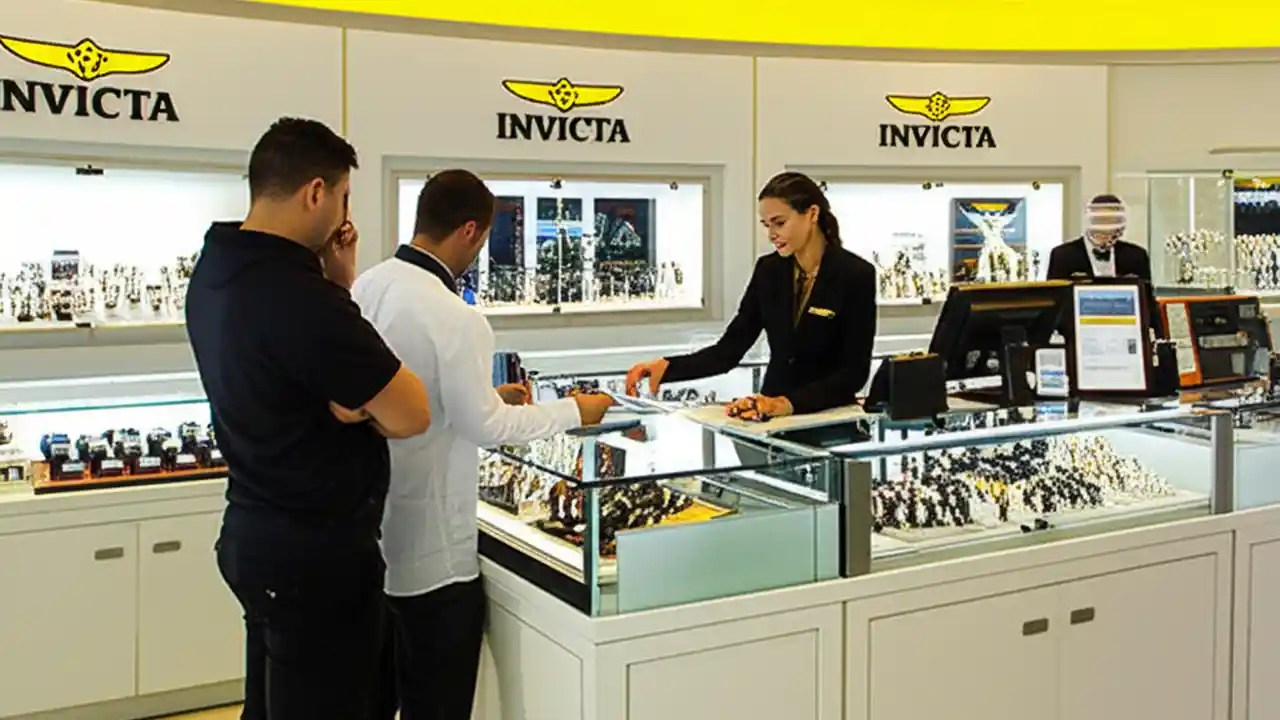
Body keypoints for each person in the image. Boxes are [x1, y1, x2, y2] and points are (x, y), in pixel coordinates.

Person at [185, 117, 432, 720]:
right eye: (345, 198)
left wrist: (339, 292)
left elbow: (287, 375)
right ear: (316, 192)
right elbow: (411, 411)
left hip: (253, 533)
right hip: (316, 557)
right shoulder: (298, 295)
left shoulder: (216, 269)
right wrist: (367, 406)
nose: (344, 217)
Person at [351, 170, 615, 720]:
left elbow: (408, 393)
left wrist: (487, 394)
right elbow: (485, 427)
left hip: (373, 539)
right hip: (435, 559)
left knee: (374, 699)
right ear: (471, 230)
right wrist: (574, 411)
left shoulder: (368, 286)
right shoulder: (456, 315)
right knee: (438, 705)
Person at [625, 171, 877, 418]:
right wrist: (667, 367)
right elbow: (729, 350)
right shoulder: (769, 271)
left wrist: (786, 404)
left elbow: (854, 373)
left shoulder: (855, 274)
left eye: (779, 223)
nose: (771, 234)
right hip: (770, 421)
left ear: (812, 214)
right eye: (766, 225)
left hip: (829, 419)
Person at [1047, 194, 1152, 280]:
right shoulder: (1062, 255)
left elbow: (1147, 299)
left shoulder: (1137, 255)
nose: (1105, 227)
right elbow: (1053, 299)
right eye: (1100, 220)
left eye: (1112, 221)